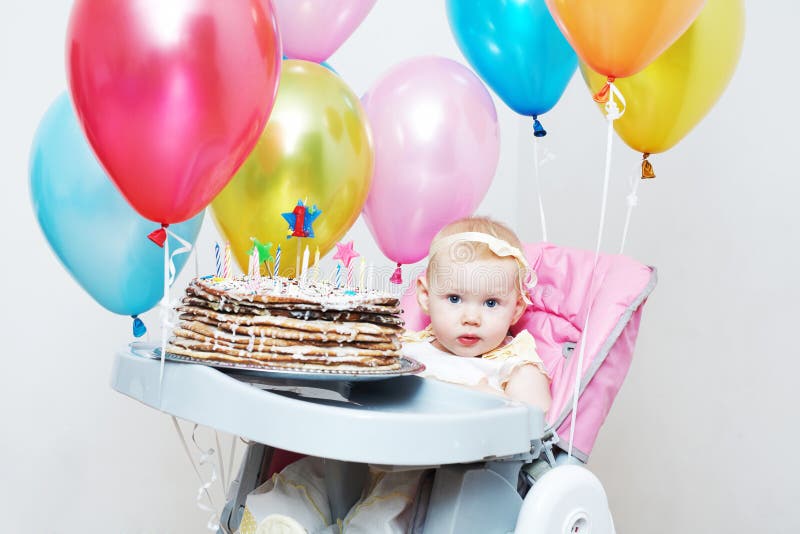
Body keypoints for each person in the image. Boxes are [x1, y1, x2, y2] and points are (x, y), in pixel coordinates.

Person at [238, 216, 551, 534]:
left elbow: (535, 416)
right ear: (426, 296)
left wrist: (494, 404)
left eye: (491, 303)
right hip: (363, 451)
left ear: (516, 309)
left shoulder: (510, 360)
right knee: (313, 471)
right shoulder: (409, 347)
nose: (471, 317)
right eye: (454, 299)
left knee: (386, 510)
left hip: (428, 470)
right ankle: (279, 522)